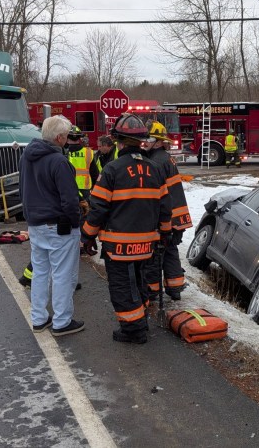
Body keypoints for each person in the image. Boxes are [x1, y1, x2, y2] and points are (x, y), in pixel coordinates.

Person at [81, 114, 172, 344]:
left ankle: (134, 330)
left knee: (123, 287)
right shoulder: (155, 169)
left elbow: (98, 209)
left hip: (119, 246)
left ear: (118, 142)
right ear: (142, 141)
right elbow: (164, 207)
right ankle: (139, 321)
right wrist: (166, 233)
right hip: (147, 244)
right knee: (140, 282)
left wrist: (86, 236)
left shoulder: (112, 170)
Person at [18, 114, 85, 337]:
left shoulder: (27, 157)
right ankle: (62, 322)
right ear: (58, 137)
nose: (67, 140)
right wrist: (75, 224)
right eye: (66, 136)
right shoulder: (58, 161)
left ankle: (39, 318)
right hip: (59, 226)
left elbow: (23, 189)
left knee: (40, 273)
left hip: (36, 224)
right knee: (62, 275)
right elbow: (69, 199)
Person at [141, 121, 193, 301]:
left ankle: (153, 290)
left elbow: (157, 196)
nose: (144, 142)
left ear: (157, 141)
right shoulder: (165, 158)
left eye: (148, 139)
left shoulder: (154, 162)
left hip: (167, 218)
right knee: (170, 252)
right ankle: (175, 287)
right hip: (177, 218)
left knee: (156, 254)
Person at [65, 125, 94, 202]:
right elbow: (95, 173)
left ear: (67, 138)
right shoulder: (88, 152)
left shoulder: (63, 152)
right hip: (85, 189)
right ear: (80, 138)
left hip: (67, 187)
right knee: (85, 210)